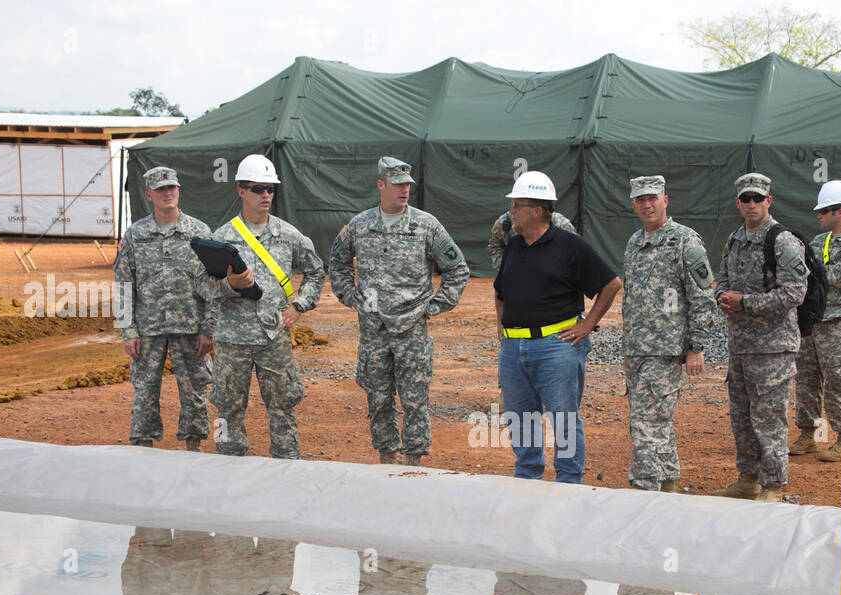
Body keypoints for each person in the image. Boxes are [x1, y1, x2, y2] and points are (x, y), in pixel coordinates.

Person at [329, 156, 469, 467]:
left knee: (415, 399)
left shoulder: (426, 225)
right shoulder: (359, 225)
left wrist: (434, 306)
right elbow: (337, 264)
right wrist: (349, 296)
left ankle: (415, 462)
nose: (404, 190)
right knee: (378, 399)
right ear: (381, 184)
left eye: (407, 184)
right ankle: (387, 458)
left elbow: (457, 269)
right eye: (397, 184)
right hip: (373, 331)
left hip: (411, 330)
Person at [493, 170, 622, 484]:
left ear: (538, 210)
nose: (511, 212)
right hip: (513, 348)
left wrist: (588, 325)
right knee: (520, 419)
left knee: (563, 418)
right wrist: (502, 327)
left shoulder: (570, 247)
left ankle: (568, 482)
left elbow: (611, 284)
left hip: (556, 345)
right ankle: (527, 476)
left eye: (517, 206)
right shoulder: (513, 247)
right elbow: (500, 292)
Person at [210, 154, 324, 460]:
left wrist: (299, 305)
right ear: (241, 191)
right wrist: (230, 285)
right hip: (232, 340)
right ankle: (226, 466)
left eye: (270, 189)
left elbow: (316, 271)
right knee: (227, 409)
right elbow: (201, 286)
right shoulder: (221, 238)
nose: (266, 195)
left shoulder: (288, 235)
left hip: (274, 338)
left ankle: (288, 470)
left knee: (283, 406)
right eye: (258, 189)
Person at [710, 172, 807, 502]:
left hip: (773, 349)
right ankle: (748, 479)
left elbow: (795, 293)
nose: (752, 204)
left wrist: (745, 303)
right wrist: (721, 297)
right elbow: (722, 279)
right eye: (746, 199)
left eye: (758, 199)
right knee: (742, 418)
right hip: (740, 346)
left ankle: (773, 486)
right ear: (738, 202)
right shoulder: (735, 240)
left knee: (769, 420)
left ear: (769, 201)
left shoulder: (782, 241)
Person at [621, 175, 714, 492]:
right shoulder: (634, 242)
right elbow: (632, 299)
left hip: (667, 350)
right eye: (640, 199)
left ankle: (645, 488)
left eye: (652, 198)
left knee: (645, 421)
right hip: (638, 351)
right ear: (634, 204)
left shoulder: (685, 241)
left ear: (665, 200)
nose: (647, 204)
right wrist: (628, 350)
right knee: (653, 419)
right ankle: (669, 481)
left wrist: (696, 347)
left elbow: (701, 297)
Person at [114, 166, 214, 450]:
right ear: (149, 195)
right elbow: (123, 285)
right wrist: (128, 331)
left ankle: (194, 447)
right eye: (161, 189)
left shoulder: (199, 232)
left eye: (172, 187)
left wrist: (209, 328)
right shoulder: (135, 235)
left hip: (190, 328)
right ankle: (144, 446)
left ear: (178, 190)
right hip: (148, 330)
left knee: (194, 390)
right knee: (144, 391)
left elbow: (213, 285)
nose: (167, 193)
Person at [791, 180, 841, 462]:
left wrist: (810, 272)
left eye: (824, 211)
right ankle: (808, 434)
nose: (818, 215)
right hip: (813, 320)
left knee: (839, 379)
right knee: (807, 378)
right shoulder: (819, 242)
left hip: (839, 323)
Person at [488, 206, 576, 271]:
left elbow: (575, 251)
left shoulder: (560, 223)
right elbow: (495, 246)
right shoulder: (505, 222)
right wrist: (506, 268)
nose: (512, 210)